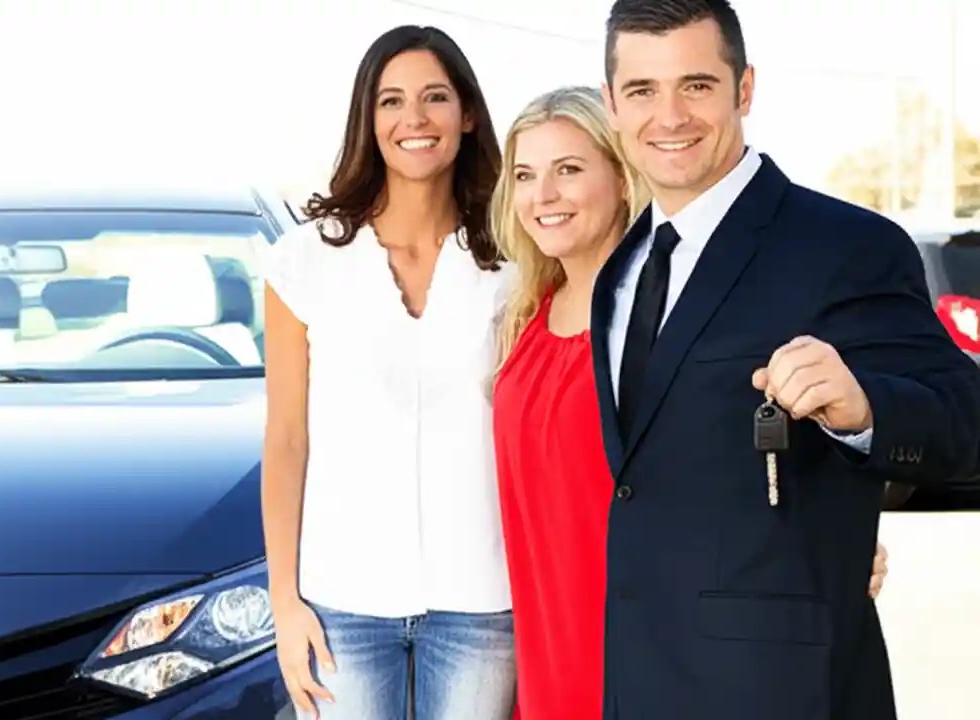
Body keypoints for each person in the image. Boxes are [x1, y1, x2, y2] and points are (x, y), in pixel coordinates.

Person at [583, 1, 980, 717]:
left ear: (745, 89)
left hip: (788, 691)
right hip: (641, 681)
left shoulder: (845, 246)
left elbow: (967, 425)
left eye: (697, 85)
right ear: (612, 103)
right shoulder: (622, 267)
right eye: (642, 90)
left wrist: (865, 411)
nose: (669, 115)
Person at [489, 85, 892, 720]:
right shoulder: (520, 321)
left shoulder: (672, 320)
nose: (543, 196)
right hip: (544, 646)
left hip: (655, 649)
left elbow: (745, 454)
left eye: (568, 170)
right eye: (524, 175)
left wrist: (832, 542)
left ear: (623, 179)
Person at [259, 25, 516, 720]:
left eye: (435, 97)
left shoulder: (515, 260)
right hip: (341, 603)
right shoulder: (302, 262)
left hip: (483, 602)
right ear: (367, 121)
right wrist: (284, 604)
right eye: (391, 101)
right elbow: (286, 441)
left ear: (467, 114)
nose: (415, 119)